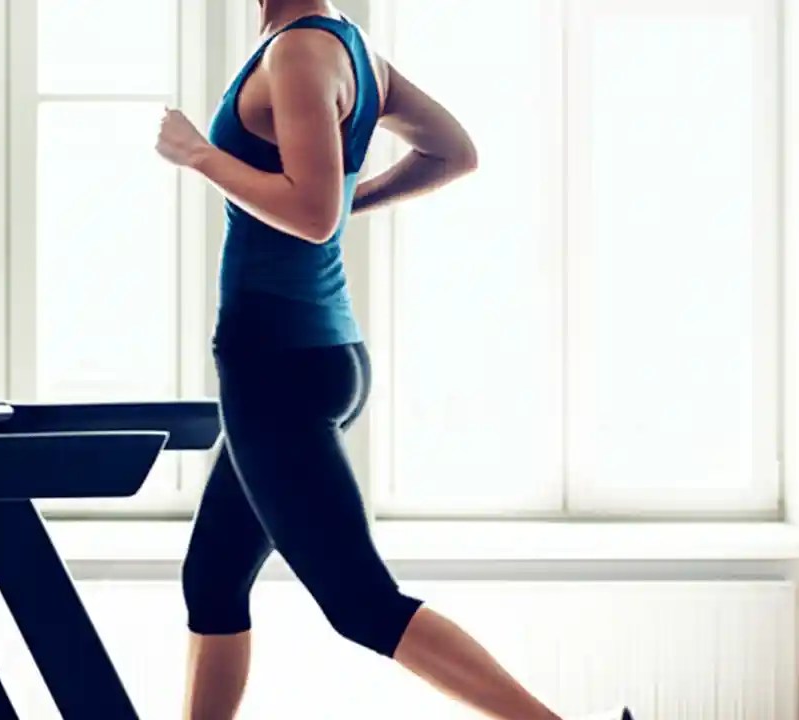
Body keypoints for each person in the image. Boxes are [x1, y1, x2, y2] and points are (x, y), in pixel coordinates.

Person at [156, 2, 632, 719]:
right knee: (213, 579)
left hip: (277, 368)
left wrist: (201, 155)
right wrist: (353, 199)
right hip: (314, 358)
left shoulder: (297, 55)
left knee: (360, 603)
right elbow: (452, 152)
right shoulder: (352, 51)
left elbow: (312, 215)